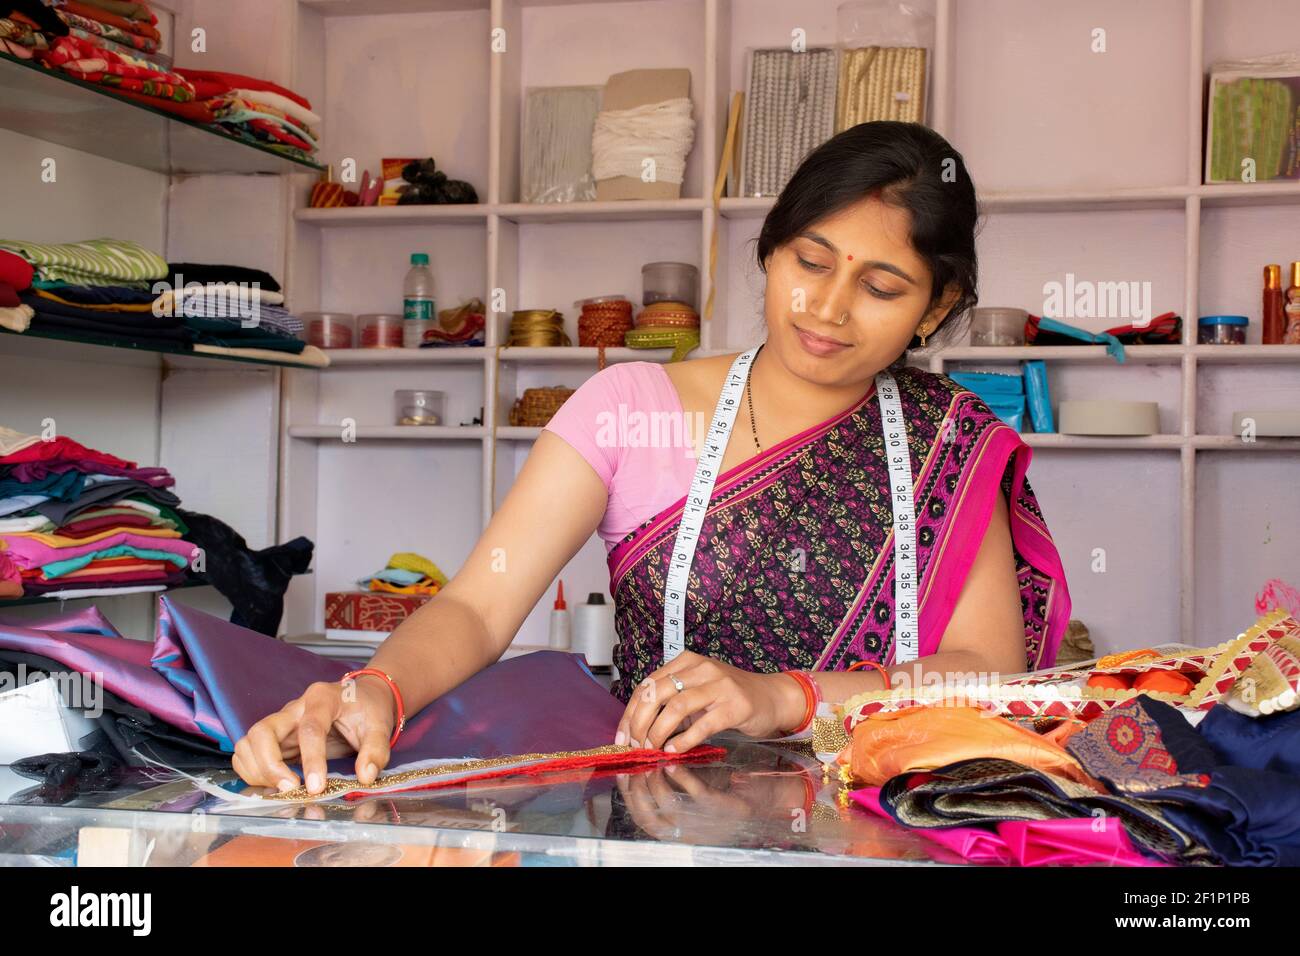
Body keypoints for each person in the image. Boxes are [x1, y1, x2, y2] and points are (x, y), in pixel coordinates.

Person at [232, 121, 1071, 796]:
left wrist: (782, 696)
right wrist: (375, 689)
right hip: (657, 818)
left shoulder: (945, 439)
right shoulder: (631, 407)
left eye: (881, 288)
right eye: (810, 263)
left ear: (939, 306)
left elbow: (985, 672)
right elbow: (481, 609)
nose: (828, 305)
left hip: (881, 818)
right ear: (771, 250)